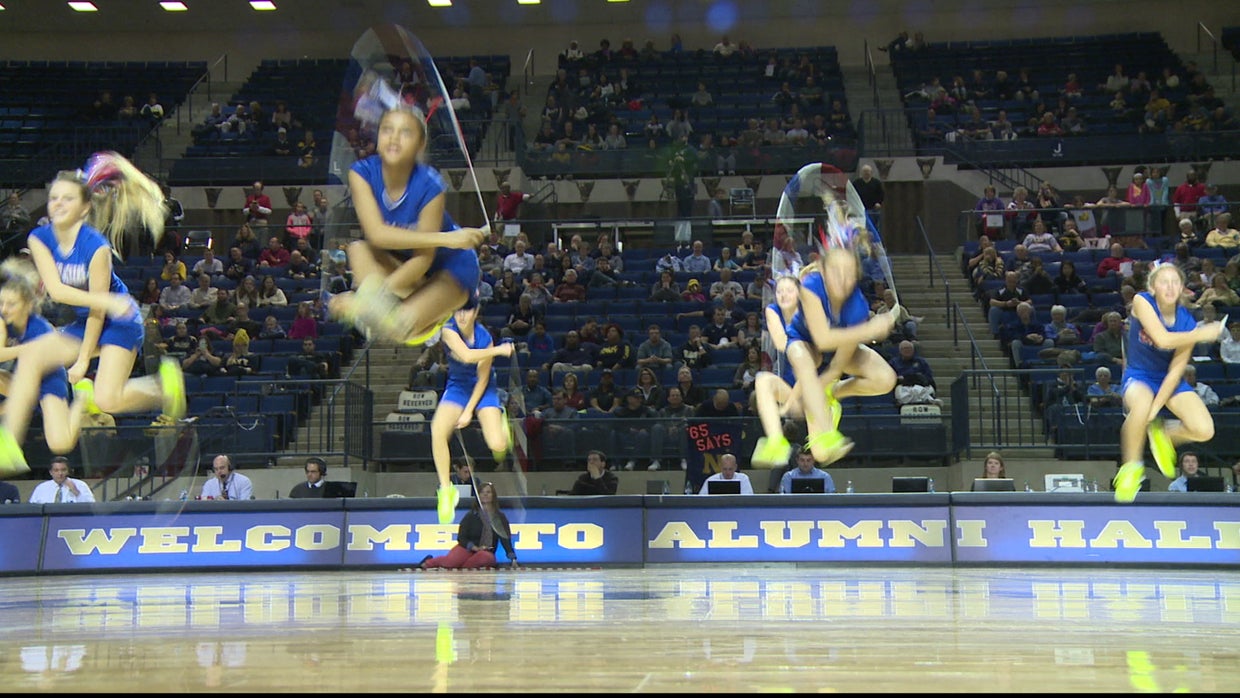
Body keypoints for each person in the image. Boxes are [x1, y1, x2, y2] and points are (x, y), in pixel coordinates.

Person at [0, 153, 186, 478]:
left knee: (108, 399)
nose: (57, 204)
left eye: (66, 199)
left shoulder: (97, 249)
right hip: (87, 321)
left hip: (118, 322)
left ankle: (164, 385)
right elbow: (55, 291)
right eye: (53, 197)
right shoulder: (38, 238)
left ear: (84, 208)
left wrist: (83, 361)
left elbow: (99, 308)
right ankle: (8, 444)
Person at [327, 101, 486, 346]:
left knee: (398, 326)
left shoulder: (431, 185)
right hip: (410, 264)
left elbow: (424, 259)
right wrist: (447, 238)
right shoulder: (361, 173)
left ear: (420, 144)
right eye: (387, 129)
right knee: (358, 249)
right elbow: (377, 235)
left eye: (406, 132)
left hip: (452, 267)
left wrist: (368, 300)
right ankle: (411, 312)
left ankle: (430, 316)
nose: (394, 138)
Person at [1113, 263, 1224, 503]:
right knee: (1140, 408)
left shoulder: (1186, 321)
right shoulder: (1142, 301)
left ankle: (1164, 434)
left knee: (1204, 429)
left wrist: (1156, 411)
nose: (1170, 286)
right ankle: (1132, 468)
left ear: (1182, 288)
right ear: (1153, 287)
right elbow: (1163, 340)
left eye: (1175, 282)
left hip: (1168, 379)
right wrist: (1201, 334)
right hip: (1140, 374)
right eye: (1164, 281)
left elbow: (1175, 371)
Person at [785, 245, 896, 465]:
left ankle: (833, 393)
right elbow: (822, 339)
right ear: (824, 271)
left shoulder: (858, 307)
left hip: (837, 349)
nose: (843, 280)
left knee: (886, 379)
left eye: (849, 273)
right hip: (805, 343)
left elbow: (837, 366)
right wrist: (870, 330)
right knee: (822, 454)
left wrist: (827, 386)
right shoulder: (811, 286)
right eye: (836, 271)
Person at [429, 304, 514, 524]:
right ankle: (447, 491)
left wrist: (468, 411)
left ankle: (501, 419)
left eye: (466, 311)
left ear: (475, 312)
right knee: (437, 430)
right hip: (458, 386)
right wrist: (499, 350)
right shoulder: (448, 330)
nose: (461, 316)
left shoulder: (484, 337)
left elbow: (483, 379)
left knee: (497, 445)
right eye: (457, 311)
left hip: (482, 388)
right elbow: (466, 356)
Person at [0, 258, 92, 456]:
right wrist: (29, 349)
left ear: (26, 305)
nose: (4, 309)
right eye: (1, 303)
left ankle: (83, 396)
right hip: (23, 381)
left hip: (49, 380)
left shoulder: (43, 330)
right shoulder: (3, 320)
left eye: (11, 304)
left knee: (61, 444)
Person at [419, 481, 518, 570]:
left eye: (488, 492)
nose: (485, 494)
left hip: (486, 552)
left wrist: (512, 558)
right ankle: (428, 562)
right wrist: (475, 548)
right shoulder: (471, 515)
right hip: (467, 548)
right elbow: (461, 537)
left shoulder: (500, 517)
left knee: (484, 558)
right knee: (451, 562)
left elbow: (505, 539)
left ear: (493, 495)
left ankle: (462, 566)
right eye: (482, 492)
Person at [28, 456, 95, 503]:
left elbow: (91, 506)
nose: (60, 473)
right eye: (56, 470)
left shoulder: (80, 485)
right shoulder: (41, 488)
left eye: (63, 470)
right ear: (51, 472)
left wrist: (76, 491)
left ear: (68, 471)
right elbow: (32, 508)